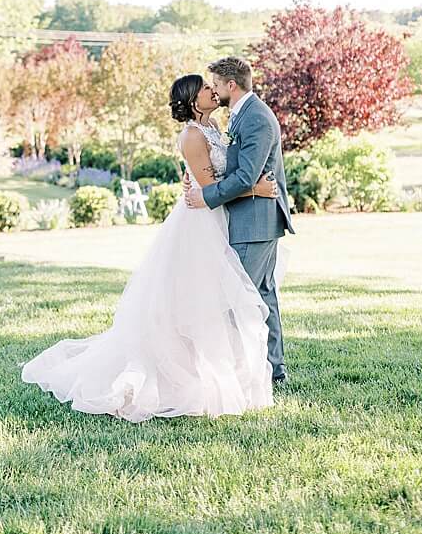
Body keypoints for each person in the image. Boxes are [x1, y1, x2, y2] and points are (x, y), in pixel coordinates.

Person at [21, 73, 282, 421]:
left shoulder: (215, 127)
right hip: (200, 224)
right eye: (205, 88)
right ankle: (188, 373)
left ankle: (226, 365)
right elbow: (208, 190)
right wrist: (255, 190)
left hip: (221, 222)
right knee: (202, 301)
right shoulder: (191, 135)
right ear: (193, 101)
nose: (212, 91)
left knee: (216, 299)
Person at [183, 56, 295, 385]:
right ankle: (272, 370)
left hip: (255, 219)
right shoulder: (240, 115)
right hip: (251, 217)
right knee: (261, 295)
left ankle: (246, 374)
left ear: (231, 85)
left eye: (215, 85)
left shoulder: (255, 118)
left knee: (239, 298)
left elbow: (246, 176)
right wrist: (194, 178)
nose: (214, 92)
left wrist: (206, 197)